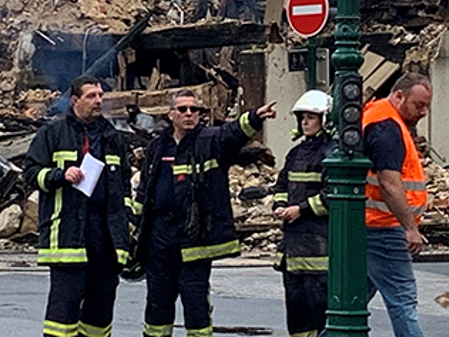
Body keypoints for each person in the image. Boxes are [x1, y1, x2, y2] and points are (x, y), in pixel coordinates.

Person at [136, 90, 276, 337]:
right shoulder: (158, 146)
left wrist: (255, 117)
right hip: (159, 238)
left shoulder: (211, 141)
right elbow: (145, 190)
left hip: (194, 238)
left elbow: (232, 133)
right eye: (183, 109)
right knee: (157, 305)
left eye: (195, 109)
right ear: (171, 115)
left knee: (196, 303)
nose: (189, 113)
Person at [23, 75, 134, 337]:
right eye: (91, 96)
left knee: (102, 304)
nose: (98, 101)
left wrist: (126, 221)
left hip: (105, 235)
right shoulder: (52, 133)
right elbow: (30, 174)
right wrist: (60, 175)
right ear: (75, 101)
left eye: (100, 95)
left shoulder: (112, 137)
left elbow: (124, 184)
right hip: (68, 231)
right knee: (65, 308)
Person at [362, 72, 432, 337]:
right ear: (399, 96)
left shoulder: (378, 116)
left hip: (370, 224)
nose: (424, 112)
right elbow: (390, 184)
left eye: (427, 106)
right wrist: (410, 228)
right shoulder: (387, 127)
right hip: (384, 227)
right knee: (403, 300)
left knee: (353, 299)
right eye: (419, 105)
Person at [272, 90, 334, 337]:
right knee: (297, 320)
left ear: (325, 120)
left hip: (319, 252)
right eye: (303, 118)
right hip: (293, 252)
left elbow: (332, 196)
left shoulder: (331, 154)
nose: (305, 122)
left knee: (321, 314)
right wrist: (279, 206)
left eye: (311, 117)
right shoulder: (295, 153)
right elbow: (280, 187)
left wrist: (301, 209)